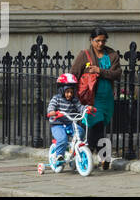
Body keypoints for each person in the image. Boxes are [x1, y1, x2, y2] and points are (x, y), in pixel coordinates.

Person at [70, 27, 121, 168]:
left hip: (107, 97)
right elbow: (73, 74)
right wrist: (70, 94)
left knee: (99, 126)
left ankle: (87, 154)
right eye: (97, 41)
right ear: (91, 40)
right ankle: (101, 156)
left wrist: (100, 71)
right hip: (91, 97)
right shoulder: (84, 55)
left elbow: (116, 74)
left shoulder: (112, 55)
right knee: (95, 124)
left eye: (103, 41)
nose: (100, 44)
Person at [45, 73, 93, 167]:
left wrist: (87, 108)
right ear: (62, 91)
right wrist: (52, 112)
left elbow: (80, 107)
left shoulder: (74, 100)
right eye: (67, 92)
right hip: (57, 124)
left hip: (69, 123)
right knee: (62, 139)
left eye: (71, 92)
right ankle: (59, 156)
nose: (69, 94)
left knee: (80, 132)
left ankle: (74, 152)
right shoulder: (56, 99)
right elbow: (51, 107)